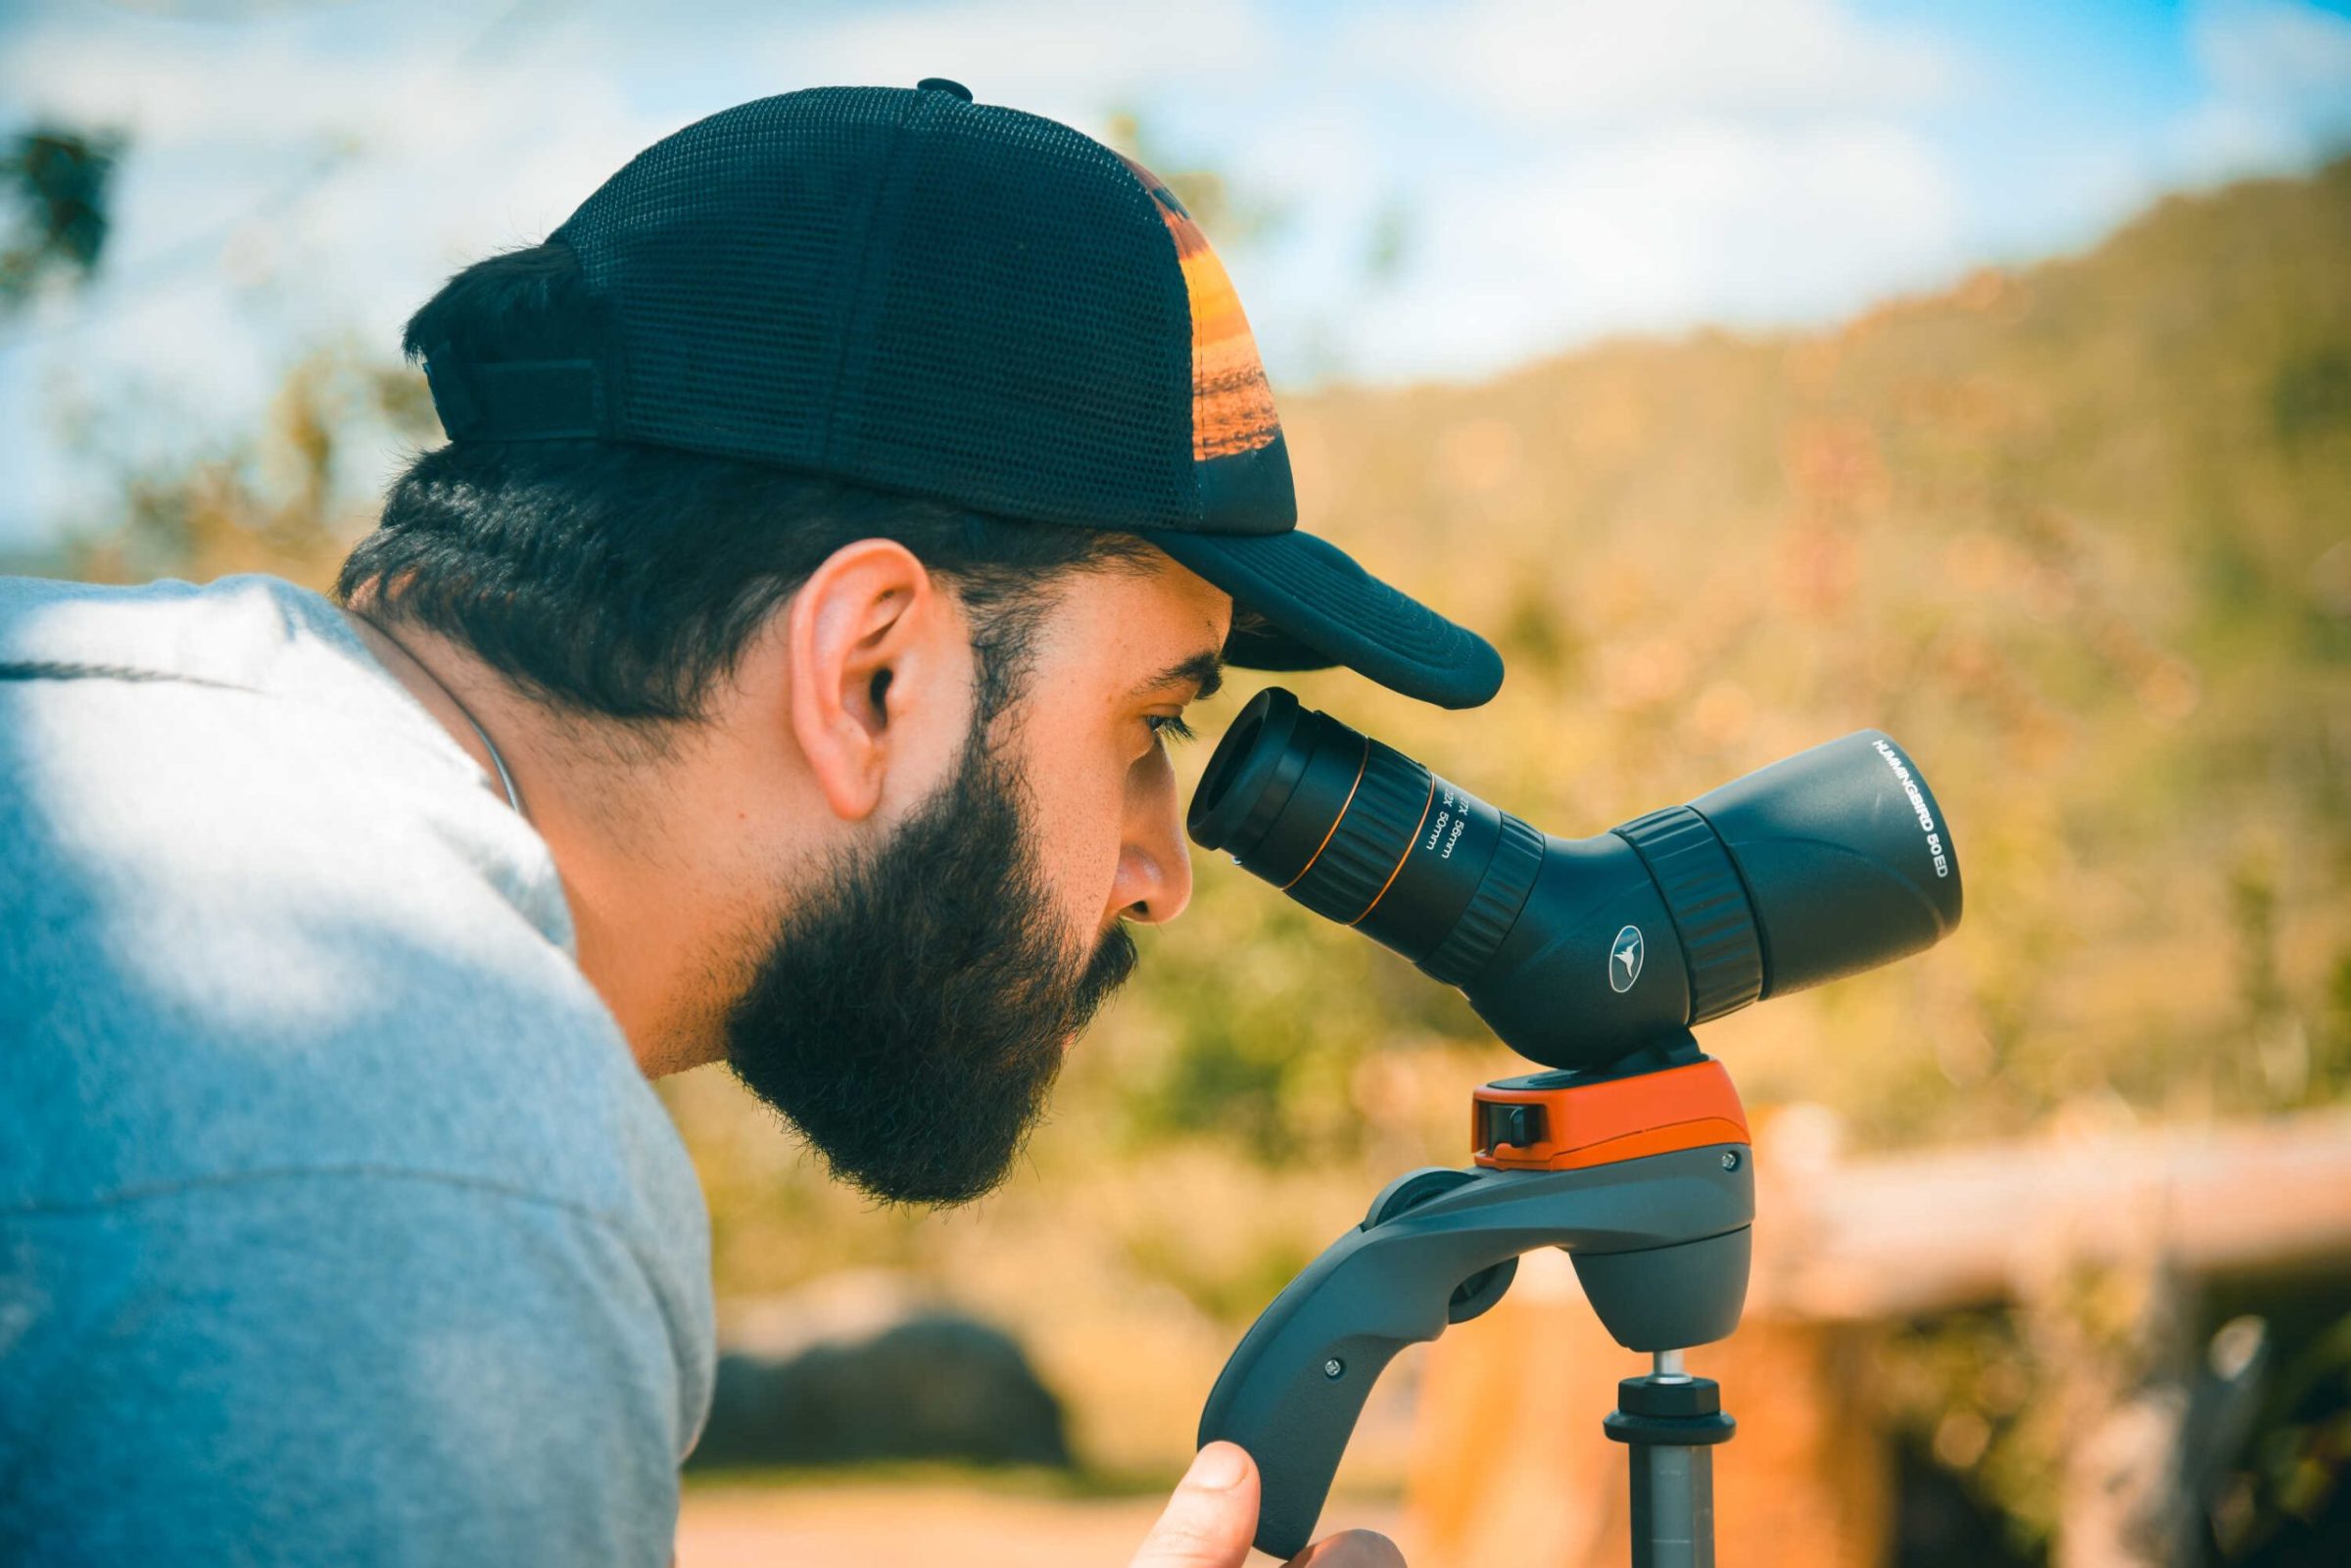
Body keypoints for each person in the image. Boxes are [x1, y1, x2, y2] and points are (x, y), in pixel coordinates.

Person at [0, 82, 1501, 1567]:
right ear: (868, 674)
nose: (1163, 872)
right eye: (1148, 724)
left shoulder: (104, 756)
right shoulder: (428, 1166)